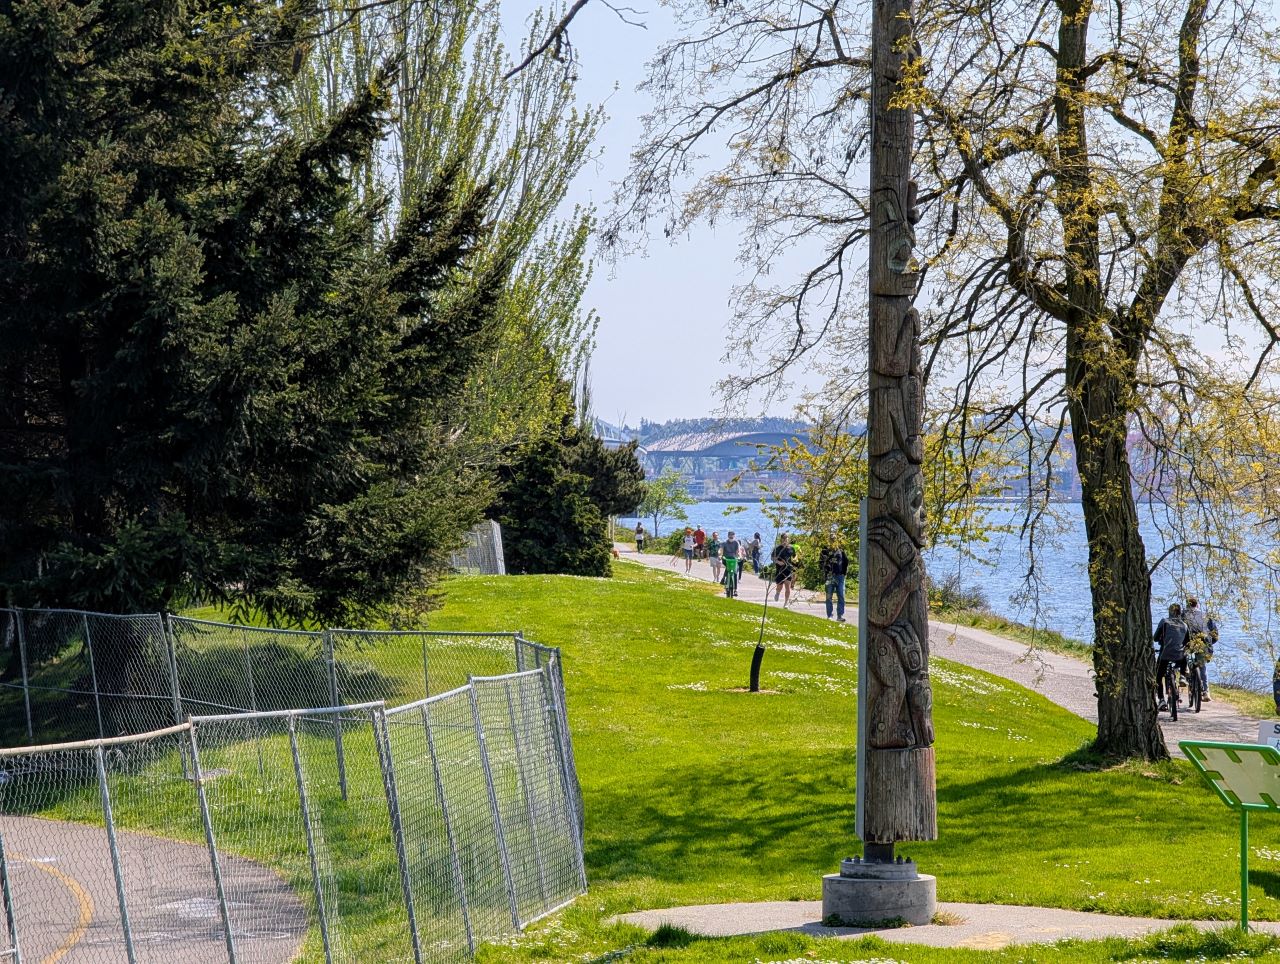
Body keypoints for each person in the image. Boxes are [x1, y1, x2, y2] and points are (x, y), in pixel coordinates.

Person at [1153, 603, 1189, 714]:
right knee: (1184, 655)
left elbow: (1155, 638)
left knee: (1158, 676)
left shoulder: (1164, 622)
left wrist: (1162, 640)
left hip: (1165, 653)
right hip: (1179, 655)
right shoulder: (1184, 625)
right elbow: (1187, 641)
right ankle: (1182, 676)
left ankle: (1161, 700)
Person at [1184, 596, 1219, 701]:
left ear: (1187, 605)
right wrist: (1210, 643)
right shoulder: (1206, 616)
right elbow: (1215, 633)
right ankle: (1206, 692)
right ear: (1197, 605)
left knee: (1185, 655)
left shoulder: (1183, 615)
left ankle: (1185, 670)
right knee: (1202, 666)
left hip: (1189, 642)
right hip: (1204, 643)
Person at [819, 542, 849, 622]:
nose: (832, 541)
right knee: (829, 597)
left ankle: (840, 616)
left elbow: (846, 562)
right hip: (829, 576)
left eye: (834, 539)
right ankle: (830, 615)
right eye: (831, 539)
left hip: (840, 576)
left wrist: (844, 573)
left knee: (841, 595)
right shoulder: (825, 551)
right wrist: (825, 571)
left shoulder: (840, 550)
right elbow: (821, 563)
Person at [771, 533, 797, 606]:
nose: (785, 540)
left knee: (787, 587)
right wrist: (778, 562)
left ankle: (786, 603)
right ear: (781, 539)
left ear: (788, 539)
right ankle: (777, 592)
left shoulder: (791, 548)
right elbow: (772, 557)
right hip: (780, 570)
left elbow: (795, 556)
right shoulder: (777, 548)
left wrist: (795, 559)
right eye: (784, 538)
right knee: (779, 586)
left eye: (786, 538)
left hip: (788, 569)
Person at [722, 530, 741, 598]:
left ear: (734, 536)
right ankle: (724, 580)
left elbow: (738, 551)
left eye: (732, 535)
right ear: (728, 535)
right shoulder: (725, 543)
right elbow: (721, 550)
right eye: (730, 535)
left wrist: (739, 556)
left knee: (735, 573)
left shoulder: (736, 542)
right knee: (727, 569)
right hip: (726, 559)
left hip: (734, 560)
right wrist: (719, 555)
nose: (731, 536)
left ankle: (735, 589)